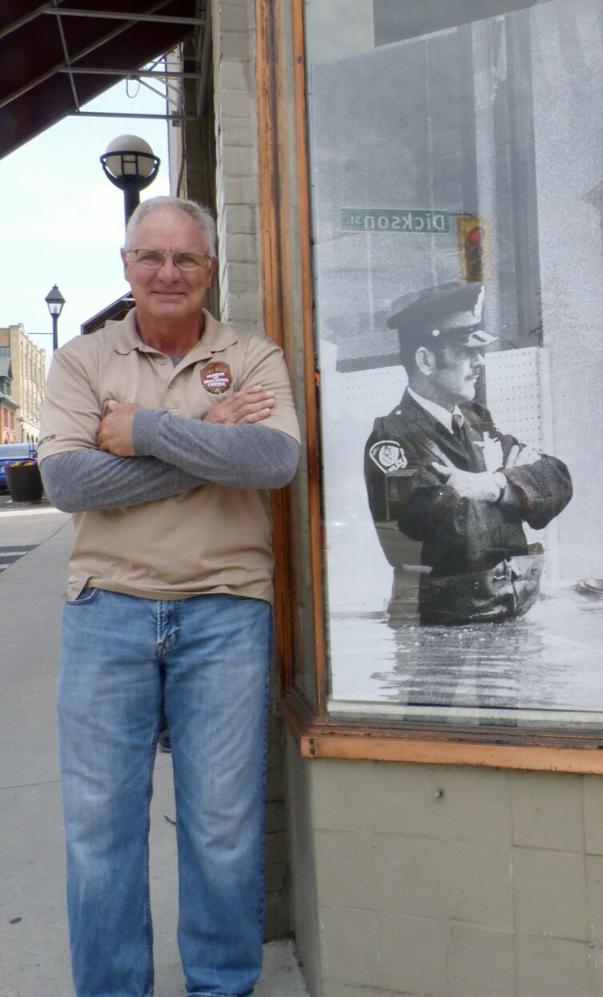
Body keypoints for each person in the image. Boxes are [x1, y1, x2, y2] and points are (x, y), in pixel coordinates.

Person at [37, 196, 301, 996]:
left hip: (225, 608)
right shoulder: (83, 362)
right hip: (106, 608)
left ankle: (221, 987)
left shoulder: (253, 355)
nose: (168, 273)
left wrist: (145, 429)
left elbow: (271, 461)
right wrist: (208, 433)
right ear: (126, 267)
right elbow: (70, 478)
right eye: (150, 257)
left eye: (186, 258)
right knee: (100, 831)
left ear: (210, 268)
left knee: (223, 828)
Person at [364, 281, 572, 626]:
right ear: (425, 360)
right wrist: (513, 493)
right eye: (464, 352)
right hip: (436, 633)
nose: (479, 363)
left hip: (504, 616)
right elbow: (417, 540)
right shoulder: (391, 441)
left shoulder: (477, 423)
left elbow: (558, 479)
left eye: (479, 351)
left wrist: (494, 486)